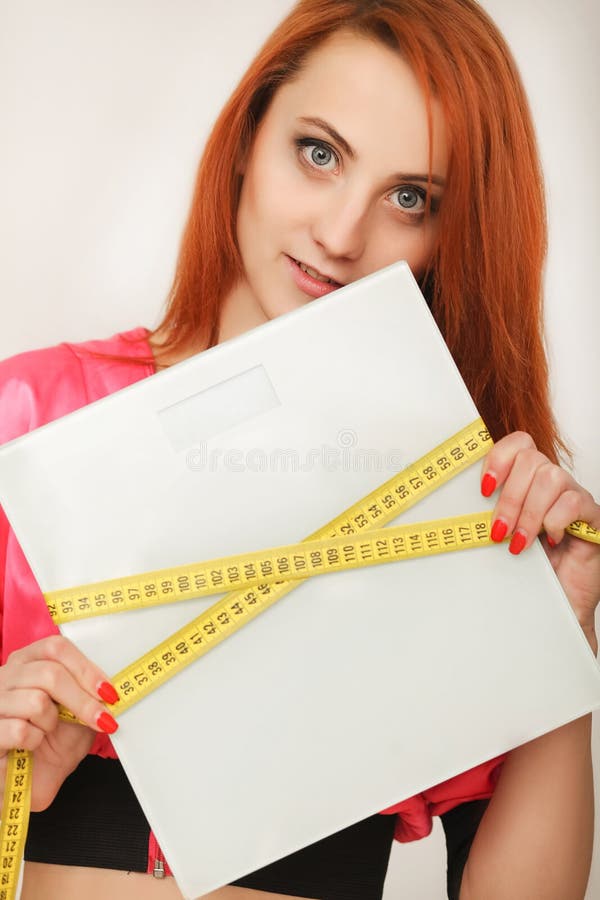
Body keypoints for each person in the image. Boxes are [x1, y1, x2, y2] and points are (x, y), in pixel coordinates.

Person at [1, 1, 599, 898]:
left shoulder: (468, 508)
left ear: (451, 236)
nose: (341, 234)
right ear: (247, 137)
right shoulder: (30, 422)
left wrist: (563, 630)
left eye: (410, 198)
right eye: (318, 153)